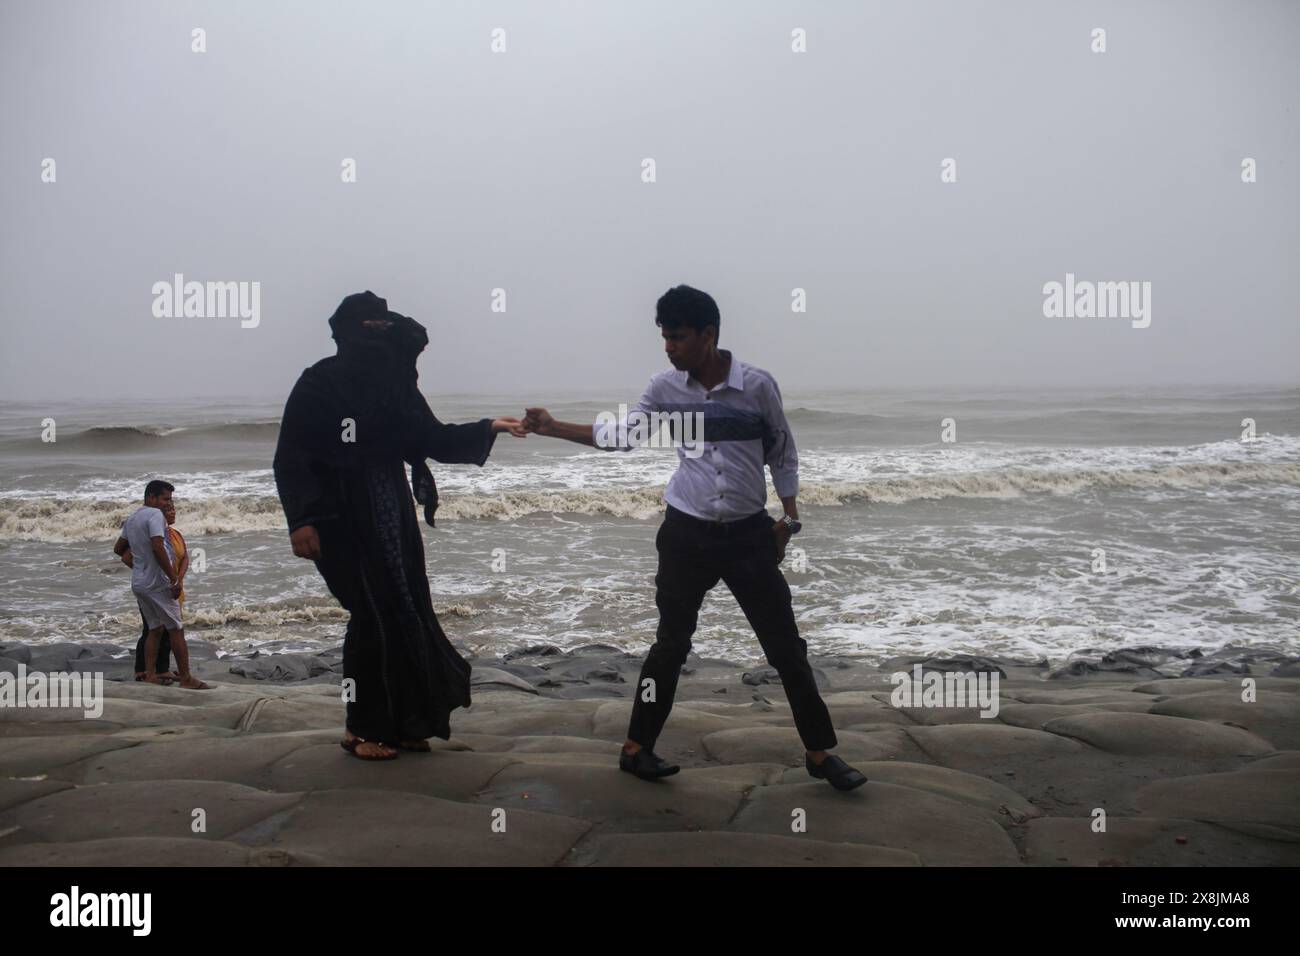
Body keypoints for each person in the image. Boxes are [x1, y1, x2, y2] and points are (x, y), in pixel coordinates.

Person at [524, 285, 867, 791]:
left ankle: (820, 754)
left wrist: (788, 521)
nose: (669, 347)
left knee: (786, 648)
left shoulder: (757, 386)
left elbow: (782, 454)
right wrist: (553, 428)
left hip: (750, 534)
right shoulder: (665, 388)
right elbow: (625, 437)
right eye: (664, 336)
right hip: (686, 532)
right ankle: (637, 748)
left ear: (709, 334)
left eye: (678, 337)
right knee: (670, 645)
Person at [273, 291, 527, 761]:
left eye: (381, 325)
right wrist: (301, 521)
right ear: (346, 331)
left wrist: (490, 426)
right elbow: (291, 457)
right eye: (367, 326)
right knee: (369, 614)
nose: (376, 335)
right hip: (338, 519)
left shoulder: (394, 386)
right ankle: (361, 728)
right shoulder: (320, 383)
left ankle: (407, 722)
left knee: (407, 612)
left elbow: (430, 437)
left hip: (391, 512)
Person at [112, 481, 209, 689]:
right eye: (165, 499)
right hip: (158, 584)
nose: (167, 504)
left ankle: (150, 676)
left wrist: (141, 565)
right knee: (176, 629)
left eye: (170, 500)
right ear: (151, 498)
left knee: (155, 629)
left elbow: (118, 548)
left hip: (139, 583)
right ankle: (186, 679)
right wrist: (173, 578)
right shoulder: (155, 515)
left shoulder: (133, 518)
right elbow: (158, 546)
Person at [122, 498, 189, 682]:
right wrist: (146, 571)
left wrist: (178, 579)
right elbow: (125, 555)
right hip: (157, 585)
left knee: (161, 629)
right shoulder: (152, 532)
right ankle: (146, 670)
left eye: (173, 508)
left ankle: (160, 669)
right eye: (167, 507)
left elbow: (184, 557)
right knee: (160, 629)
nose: (171, 512)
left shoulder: (175, 534)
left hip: (169, 584)